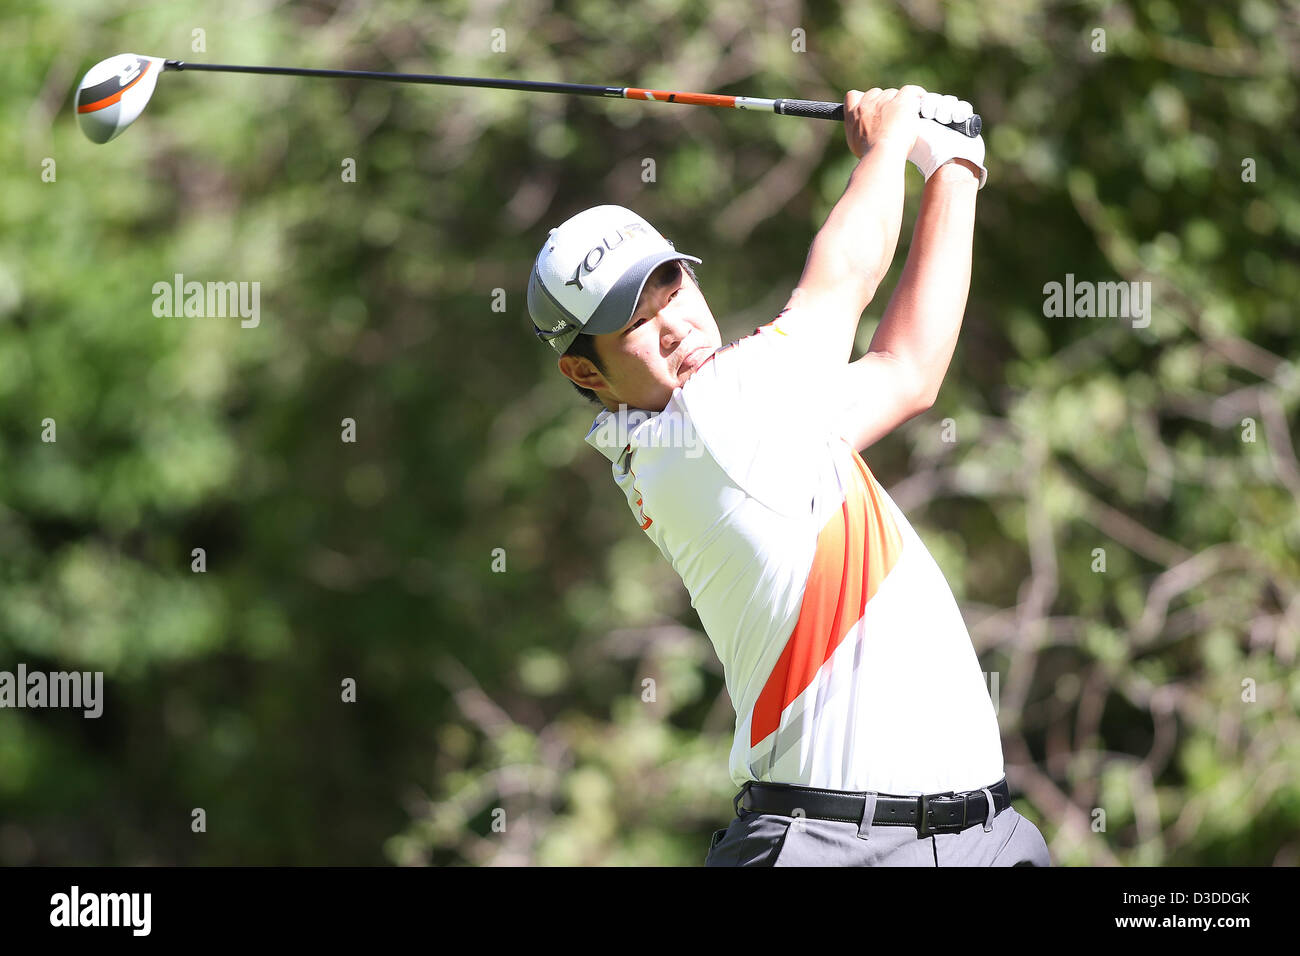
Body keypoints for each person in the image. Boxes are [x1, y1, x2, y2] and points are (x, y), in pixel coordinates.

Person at [526, 86, 1051, 866]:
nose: (677, 324)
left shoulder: (749, 430)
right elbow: (846, 278)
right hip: (834, 846)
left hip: (985, 837)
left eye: (674, 285)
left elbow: (908, 371)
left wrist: (953, 164)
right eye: (636, 322)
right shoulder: (711, 422)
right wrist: (887, 143)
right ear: (584, 370)